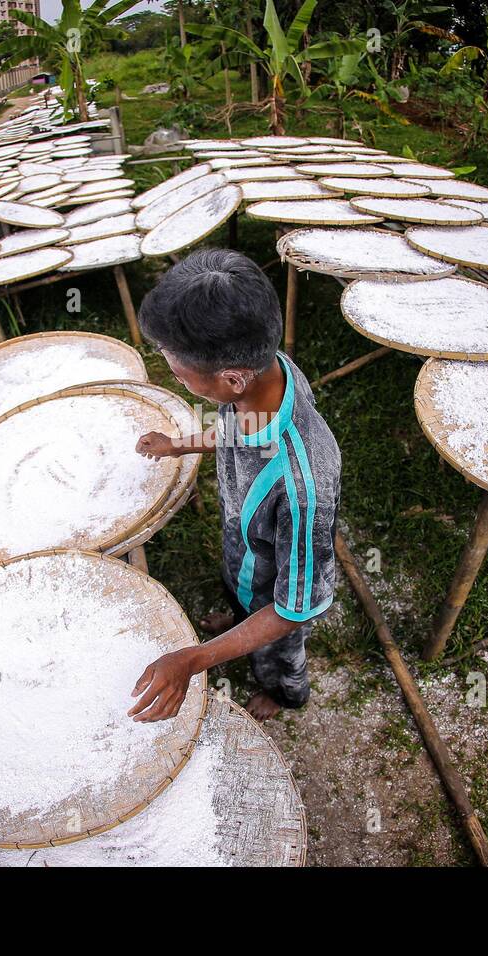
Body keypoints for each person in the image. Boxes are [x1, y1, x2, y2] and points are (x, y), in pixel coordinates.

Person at [129, 250, 341, 723]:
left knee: (277, 654)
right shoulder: (264, 375)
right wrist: (179, 445)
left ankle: (285, 695)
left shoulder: (303, 489)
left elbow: (293, 607)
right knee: (241, 593)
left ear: (230, 378)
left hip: (277, 600)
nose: (179, 382)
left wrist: (193, 659)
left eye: (181, 376)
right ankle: (239, 622)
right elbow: (237, 431)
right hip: (246, 555)